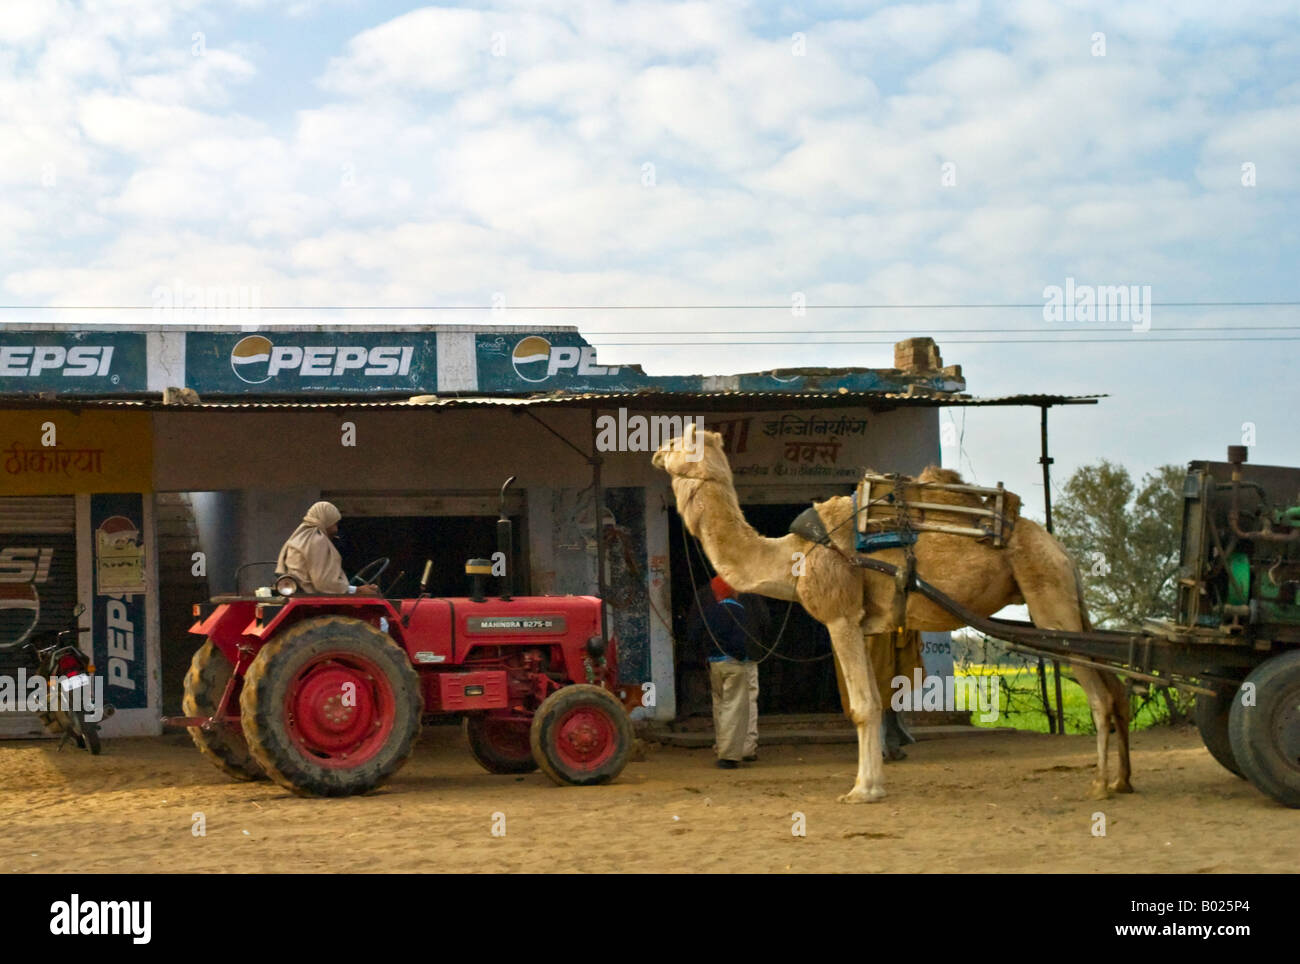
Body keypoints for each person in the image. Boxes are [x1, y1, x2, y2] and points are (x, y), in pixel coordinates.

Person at [684, 574, 769, 769]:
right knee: (741, 704)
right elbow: (763, 623)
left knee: (721, 706)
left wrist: (703, 654)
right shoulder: (744, 599)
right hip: (741, 660)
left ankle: (723, 746)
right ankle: (739, 751)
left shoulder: (709, 603)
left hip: (715, 663)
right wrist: (741, 655)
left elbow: (694, 632)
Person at [275, 501, 378, 596]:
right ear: (326, 520)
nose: (336, 529)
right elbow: (325, 584)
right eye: (335, 524)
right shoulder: (317, 540)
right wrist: (357, 590)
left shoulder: (302, 538)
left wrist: (355, 589)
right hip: (312, 598)